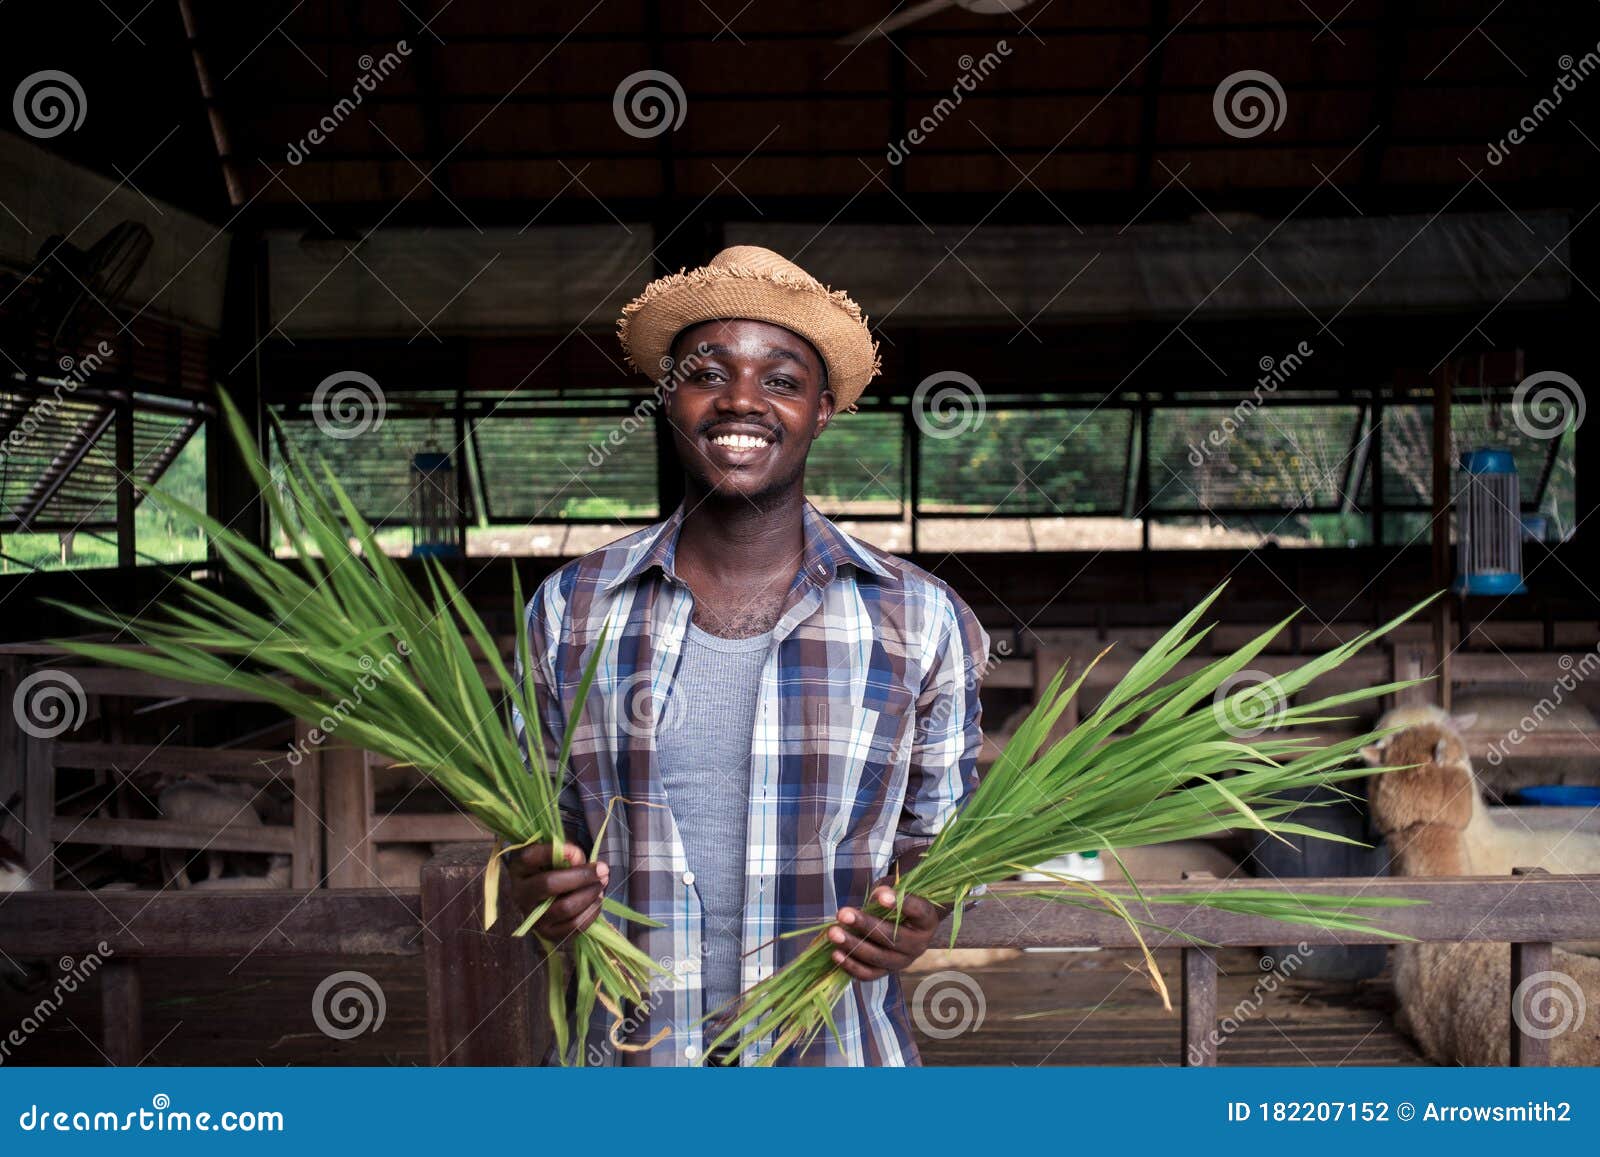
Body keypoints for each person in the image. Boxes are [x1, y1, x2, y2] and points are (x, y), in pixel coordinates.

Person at [509, 245, 989, 1066]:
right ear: (669, 396)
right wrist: (535, 883)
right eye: (707, 372)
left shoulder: (920, 617)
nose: (741, 401)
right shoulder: (570, 610)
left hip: (838, 1060)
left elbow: (946, 842)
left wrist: (924, 909)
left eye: (781, 380)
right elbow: (529, 825)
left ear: (823, 410)